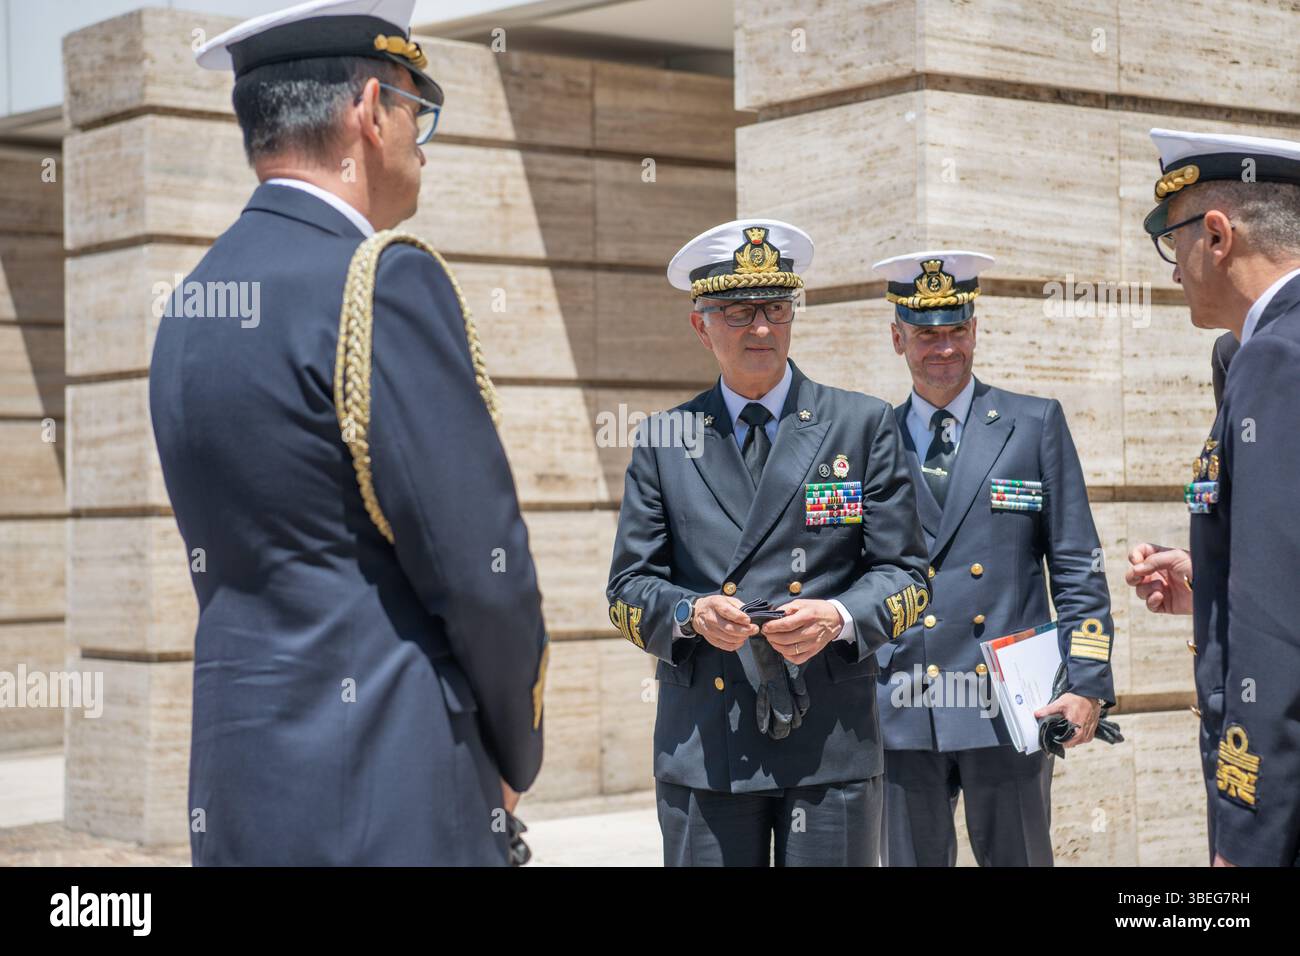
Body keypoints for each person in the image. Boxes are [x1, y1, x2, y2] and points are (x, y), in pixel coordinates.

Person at [149, 0, 548, 865]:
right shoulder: (379, 283)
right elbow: (483, 570)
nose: (422, 142)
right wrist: (517, 747)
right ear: (369, 110)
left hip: (242, 788)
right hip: (392, 782)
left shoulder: (192, 303)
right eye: (417, 110)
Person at [606, 220, 929, 866]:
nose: (761, 328)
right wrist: (690, 614)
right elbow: (626, 590)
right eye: (738, 312)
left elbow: (907, 577)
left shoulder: (860, 427)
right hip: (708, 744)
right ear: (701, 326)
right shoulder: (665, 440)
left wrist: (838, 617)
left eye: (776, 309)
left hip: (829, 741)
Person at [870, 250, 1116, 866]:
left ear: (976, 330)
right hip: (903, 702)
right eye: (926, 333)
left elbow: (1078, 563)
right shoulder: (869, 436)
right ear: (898, 338)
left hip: (1007, 705)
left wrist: (1087, 683)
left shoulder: (1033, 424)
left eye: (956, 330)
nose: (943, 348)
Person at [1125, 128, 1300, 868]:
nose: (1173, 275)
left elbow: (1274, 628)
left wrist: (1246, 833)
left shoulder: (1275, 357)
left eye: (1173, 244)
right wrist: (1212, 585)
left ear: (1217, 235)